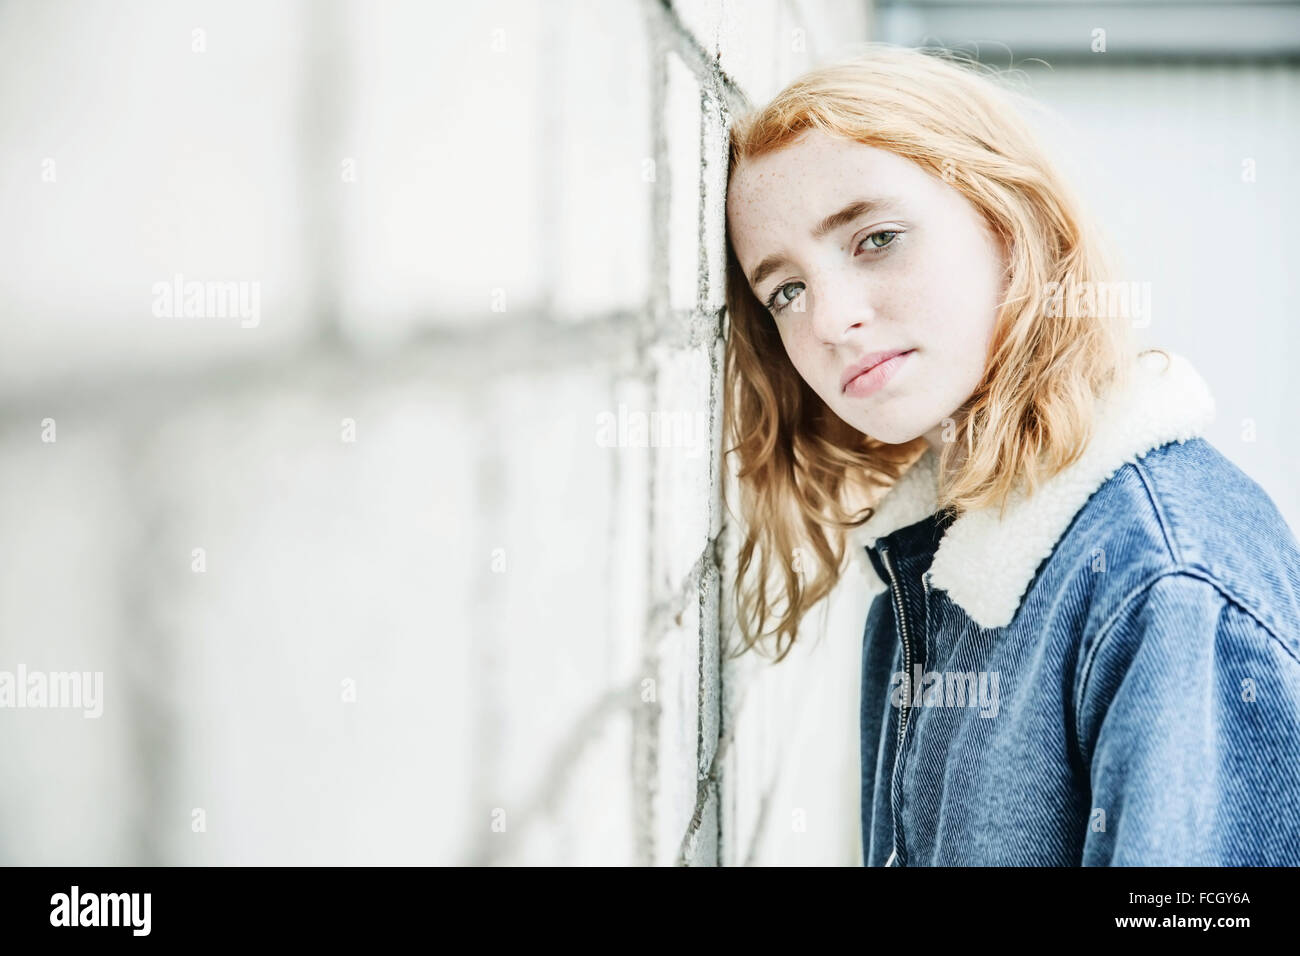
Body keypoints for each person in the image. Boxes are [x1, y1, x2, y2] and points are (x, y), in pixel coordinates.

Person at [721, 43, 1300, 865]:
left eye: (876, 238)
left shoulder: (1164, 582)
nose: (829, 319)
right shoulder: (935, 550)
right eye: (785, 289)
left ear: (1008, 220)